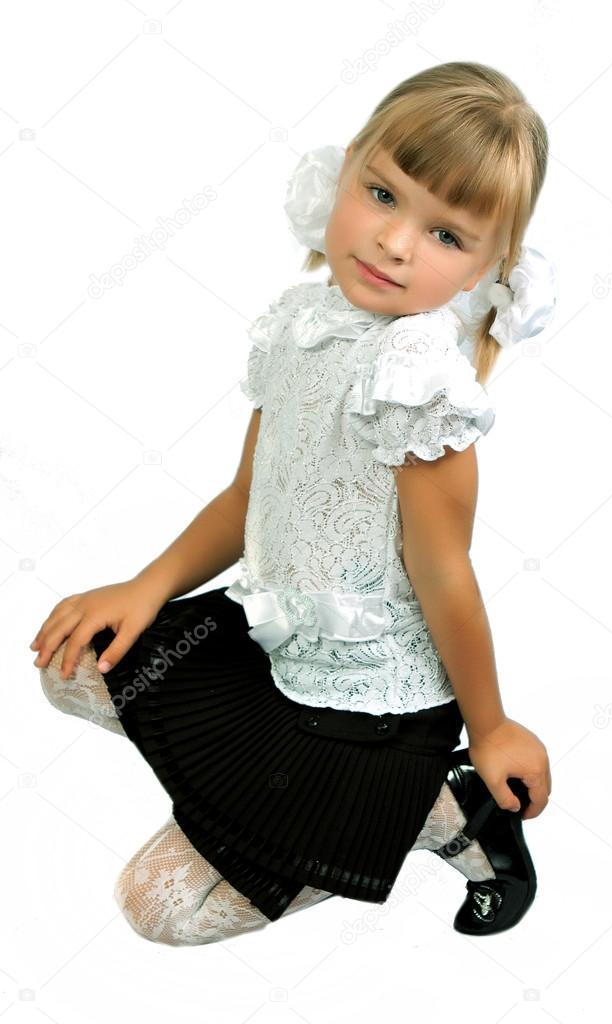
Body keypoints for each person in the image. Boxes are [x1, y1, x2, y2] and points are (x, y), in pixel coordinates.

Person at [32, 61, 555, 946]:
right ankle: (261, 795)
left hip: (367, 707)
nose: (394, 244)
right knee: (71, 669)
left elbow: (446, 577)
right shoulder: (302, 327)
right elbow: (248, 498)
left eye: (446, 235)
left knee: (155, 908)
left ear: (488, 266)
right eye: (384, 194)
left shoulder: (421, 396)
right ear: (344, 170)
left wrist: (493, 724)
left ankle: (428, 806)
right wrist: (146, 587)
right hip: (276, 647)